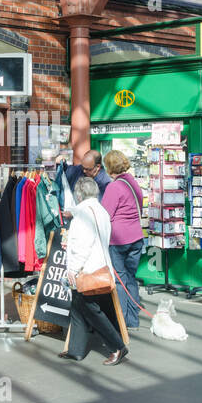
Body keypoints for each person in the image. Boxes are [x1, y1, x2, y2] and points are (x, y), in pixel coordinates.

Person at [59, 177, 128, 366]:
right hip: (102, 266)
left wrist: (73, 269)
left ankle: (117, 346)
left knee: (89, 308)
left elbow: (82, 244)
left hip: (87, 269)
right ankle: (76, 349)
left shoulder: (82, 213)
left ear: (79, 194)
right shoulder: (101, 211)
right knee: (82, 306)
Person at [101, 150, 145, 331]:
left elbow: (105, 215)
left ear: (109, 167)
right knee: (131, 279)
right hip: (136, 237)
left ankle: (122, 321)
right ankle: (133, 320)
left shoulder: (114, 187)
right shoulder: (133, 183)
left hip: (119, 241)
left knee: (119, 281)